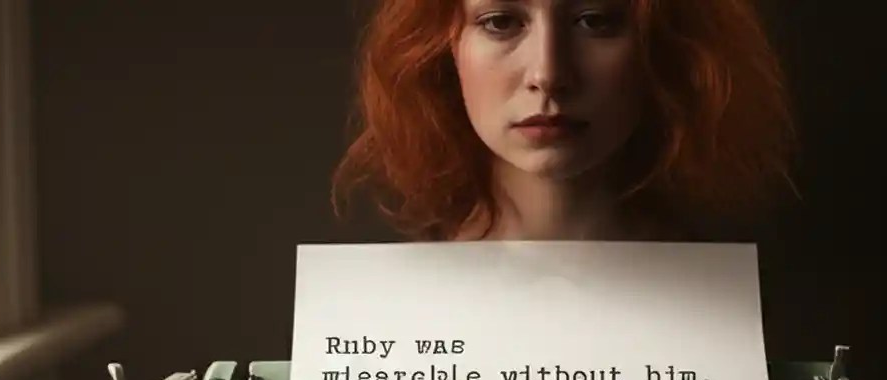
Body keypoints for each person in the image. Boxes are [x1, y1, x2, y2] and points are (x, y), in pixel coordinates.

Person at [331, 0, 796, 242]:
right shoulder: (387, 308)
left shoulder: (731, 302)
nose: (548, 75)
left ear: (663, 45)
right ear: (440, 47)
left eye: (593, 20)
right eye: (499, 21)